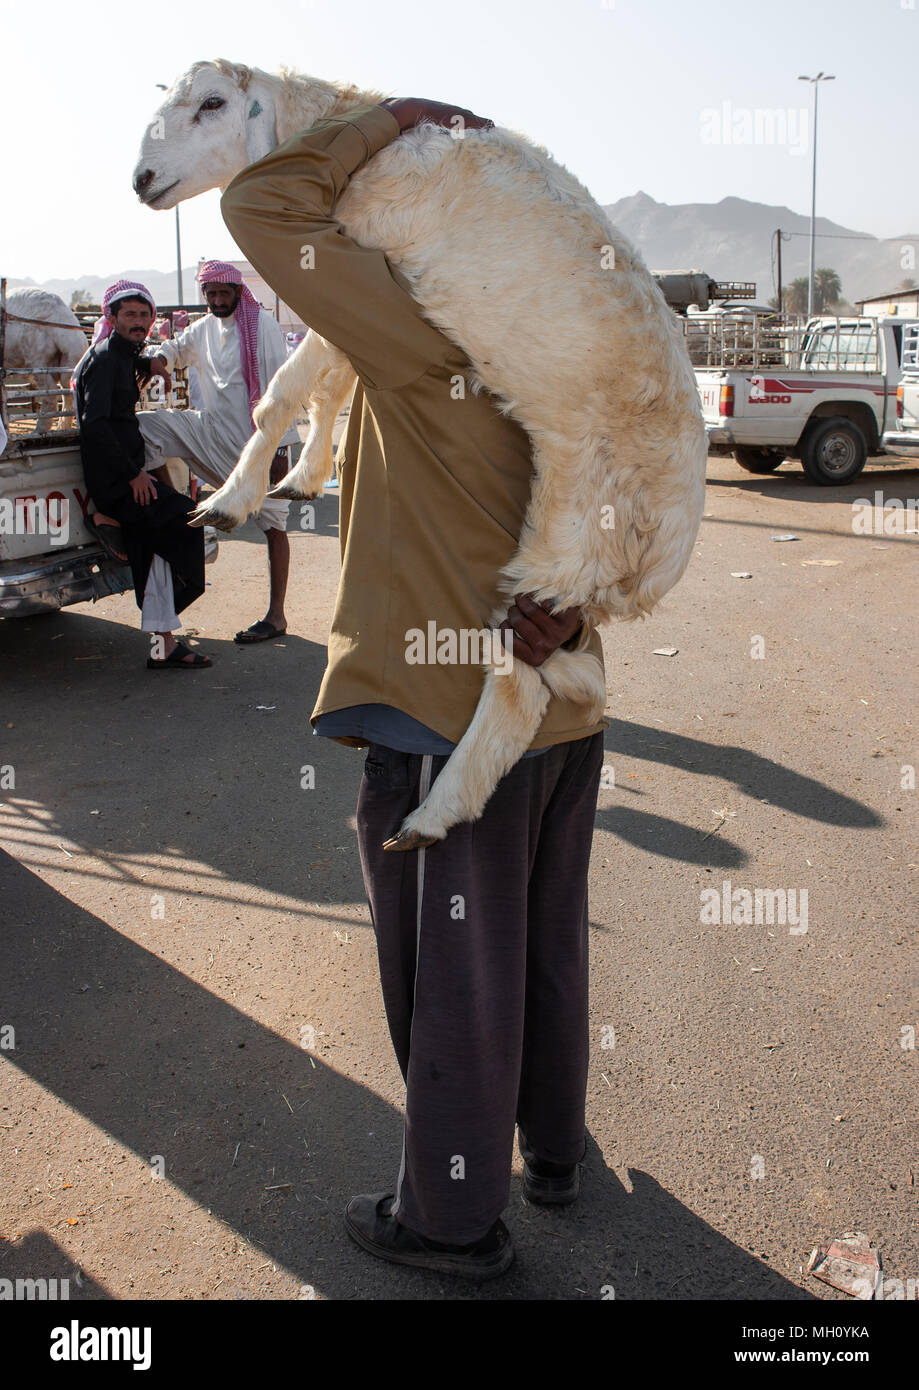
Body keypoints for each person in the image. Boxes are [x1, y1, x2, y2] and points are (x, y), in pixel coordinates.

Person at [220, 97, 607, 1281]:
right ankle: (547, 1155)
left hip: (449, 724)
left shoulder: (415, 327)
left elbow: (258, 202)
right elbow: (638, 480)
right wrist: (585, 601)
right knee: (539, 946)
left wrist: (381, 121)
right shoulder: (570, 337)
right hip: (566, 702)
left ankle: (451, 1219)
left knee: (455, 976)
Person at [140, 262, 300, 644]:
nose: (215, 300)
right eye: (209, 294)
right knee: (146, 427)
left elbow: (284, 387)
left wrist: (282, 446)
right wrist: (158, 362)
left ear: (236, 291)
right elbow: (175, 349)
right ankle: (173, 503)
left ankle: (276, 616)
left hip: (257, 445)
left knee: (275, 526)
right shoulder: (204, 329)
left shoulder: (261, 326)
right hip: (210, 431)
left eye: (222, 293)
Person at [72, 281, 210, 670]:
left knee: (156, 554)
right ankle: (115, 525)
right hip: (120, 481)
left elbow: (127, 363)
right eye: (129, 315)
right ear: (111, 318)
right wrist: (133, 474)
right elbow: (95, 425)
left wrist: (150, 363)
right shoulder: (102, 360)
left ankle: (162, 646)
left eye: (144, 314)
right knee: (188, 520)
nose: (139, 322)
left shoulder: (122, 355)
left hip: (128, 479)